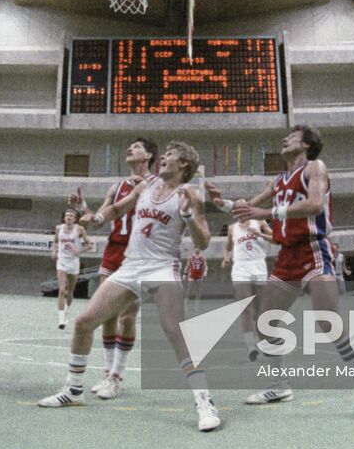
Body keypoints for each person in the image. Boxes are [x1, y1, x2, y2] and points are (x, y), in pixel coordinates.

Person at [206, 125, 354, 421]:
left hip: (314, 248)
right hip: (287, 255)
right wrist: (222, 203)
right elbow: (248, 208)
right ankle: (278, 385)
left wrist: (268, 214)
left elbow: (315, 205)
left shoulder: (315, 168)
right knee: (266, 322)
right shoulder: (278, 181)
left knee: (328, 319)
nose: (284, 139)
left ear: (306, 144)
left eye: (291, 136)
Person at [39, 142, 221, 432]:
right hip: (131, 266)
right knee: (85, 322)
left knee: (176, 333)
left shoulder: (190, 196)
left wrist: (187, 216)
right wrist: (92, 215)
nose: (164, 159)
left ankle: (204, 402)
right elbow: (115, 211)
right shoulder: (145, 186)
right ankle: (73, 390)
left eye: (171, 156)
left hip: (162, 268)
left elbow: (203, 242)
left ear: (184, 164)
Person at [69, 136, 156, 399]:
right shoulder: (116, 186)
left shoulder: (156, 184)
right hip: (114, 250)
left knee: (128, 316)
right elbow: (102, 216)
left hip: (139, 253)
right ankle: (107, 373)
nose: (130, 149)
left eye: (137, 147)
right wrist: (84, 210)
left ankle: (118, 375)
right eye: (130, 146)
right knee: (107, 315)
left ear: (149, 156)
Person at [223, 217, 271, 353]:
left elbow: (275, 237)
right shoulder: (232, 228)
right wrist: (226, 258)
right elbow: (227, 248)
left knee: (260, 308)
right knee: (245, 307)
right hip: (241, 267)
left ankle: (260, 338)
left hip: (258, 265)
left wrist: (261, 234)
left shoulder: (260, 222)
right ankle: (251, 346)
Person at [51, 208, 91, 329]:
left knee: (70, 291)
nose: (68, 217)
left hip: (73, 262)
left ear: (75, 219)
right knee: (62, 290)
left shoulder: (79, 229)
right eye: (67, 215)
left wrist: (79, 251)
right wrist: (54, 251)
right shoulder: (59, 228)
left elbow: (89, 245)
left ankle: (66, 310)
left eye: (71, 216)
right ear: (64, 218)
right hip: (62, 261)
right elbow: (55, 241)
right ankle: (61, 320)